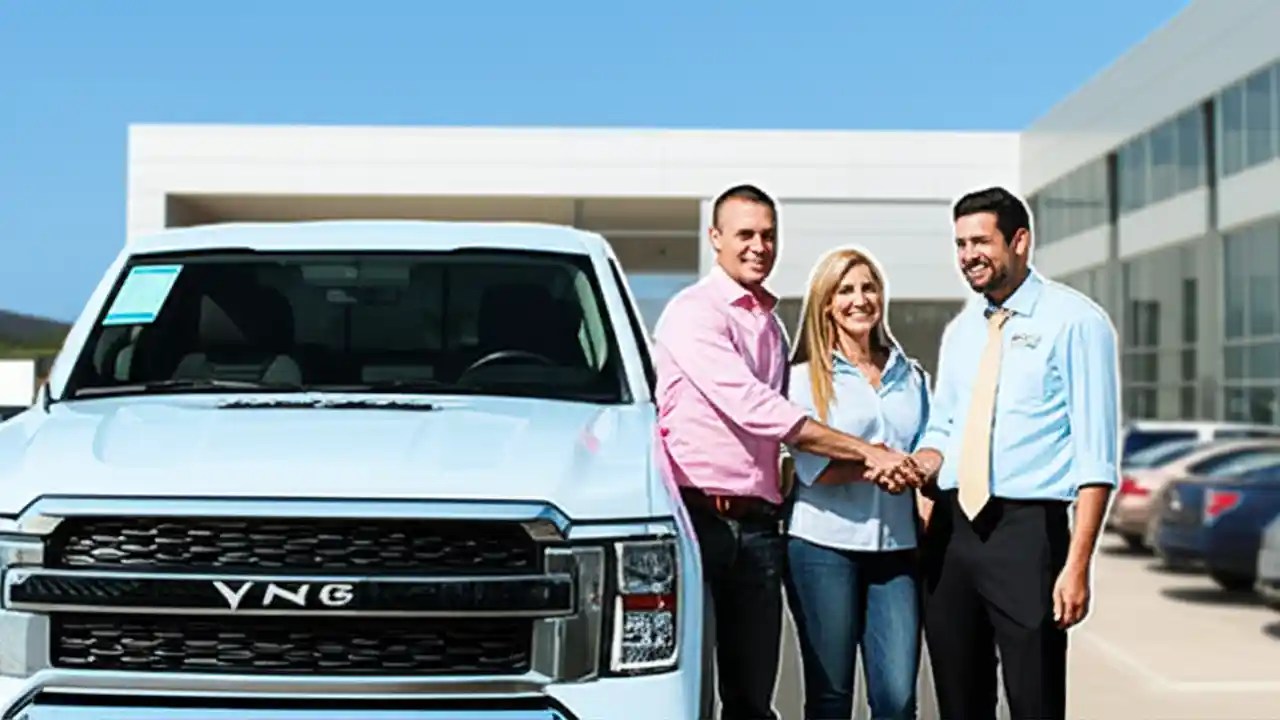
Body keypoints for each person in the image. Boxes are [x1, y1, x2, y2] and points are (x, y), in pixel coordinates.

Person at [651, 184, 923, 720]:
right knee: (682, 693)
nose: (759, 246)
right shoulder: (693, 313)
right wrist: (869, 454)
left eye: (768, 235)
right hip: (696, 521)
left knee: (753, 698)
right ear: (715, 238)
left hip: (758, 528)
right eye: (745, 234)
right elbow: (756, 408)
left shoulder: (771, 327)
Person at [909, 187, 1119, 720]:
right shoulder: (962, 331)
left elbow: (1096, 458)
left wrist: (1077, 566)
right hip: (952, 535)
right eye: (960, 244)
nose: (968, 255)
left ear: (1019, 241)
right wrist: (920, 466)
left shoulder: (1076, 322)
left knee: (1035, 700)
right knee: (960, 701)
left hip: (1027, 535)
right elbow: (943, 428)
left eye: (980, 241)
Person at [783, 247, 931, 720]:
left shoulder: (912, 376)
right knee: (831, 697)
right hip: (822, 548)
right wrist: (880, 464)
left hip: (897, 551)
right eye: (845, 290)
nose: (860, 299)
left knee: (897, 699)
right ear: (827, 303)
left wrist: (912, 474)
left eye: (869, 288)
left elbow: (929, 450)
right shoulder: (802, 379)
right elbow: (814, 467)